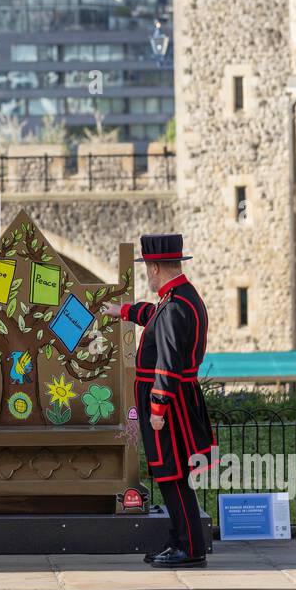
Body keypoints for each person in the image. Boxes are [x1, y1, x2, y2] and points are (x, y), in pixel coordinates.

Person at [101, 233, 214, 568]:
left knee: (172, 476)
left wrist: (157, 410)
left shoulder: (175, 305)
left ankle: (190, 548)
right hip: (175, 401)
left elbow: (167, 363)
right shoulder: (179, 298)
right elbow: (153, 314)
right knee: (171, 475)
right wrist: (123, 311)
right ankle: (180, 539)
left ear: (154, 268)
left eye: (148, 269)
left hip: (170, 406)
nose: (148, 276)